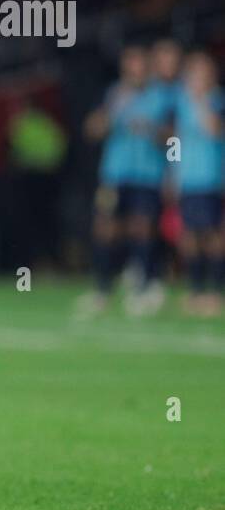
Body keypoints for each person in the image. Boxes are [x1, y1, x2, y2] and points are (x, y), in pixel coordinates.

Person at [79, 46, 169, 317]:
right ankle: (102, 290)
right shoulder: (114, 94)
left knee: (141, 228)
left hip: (148, 174)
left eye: (138, 64)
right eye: (129, 65)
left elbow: (175, 140)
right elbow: (91, 131)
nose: (133, 70)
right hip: (114, 174)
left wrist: (154, 132)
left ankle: (144, 285)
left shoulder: (161, 97)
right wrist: (107, 116)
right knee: (104, 228)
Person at [172, 52, 223, 316]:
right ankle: (195, 290)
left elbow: (214, 130)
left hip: (211, 177)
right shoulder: (182, 103)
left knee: (213, 235)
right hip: (187, 179)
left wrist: (201, 100)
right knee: (190, 236)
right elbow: (177, 140)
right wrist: (173, 171)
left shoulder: (216, 100)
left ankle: (216, 291)